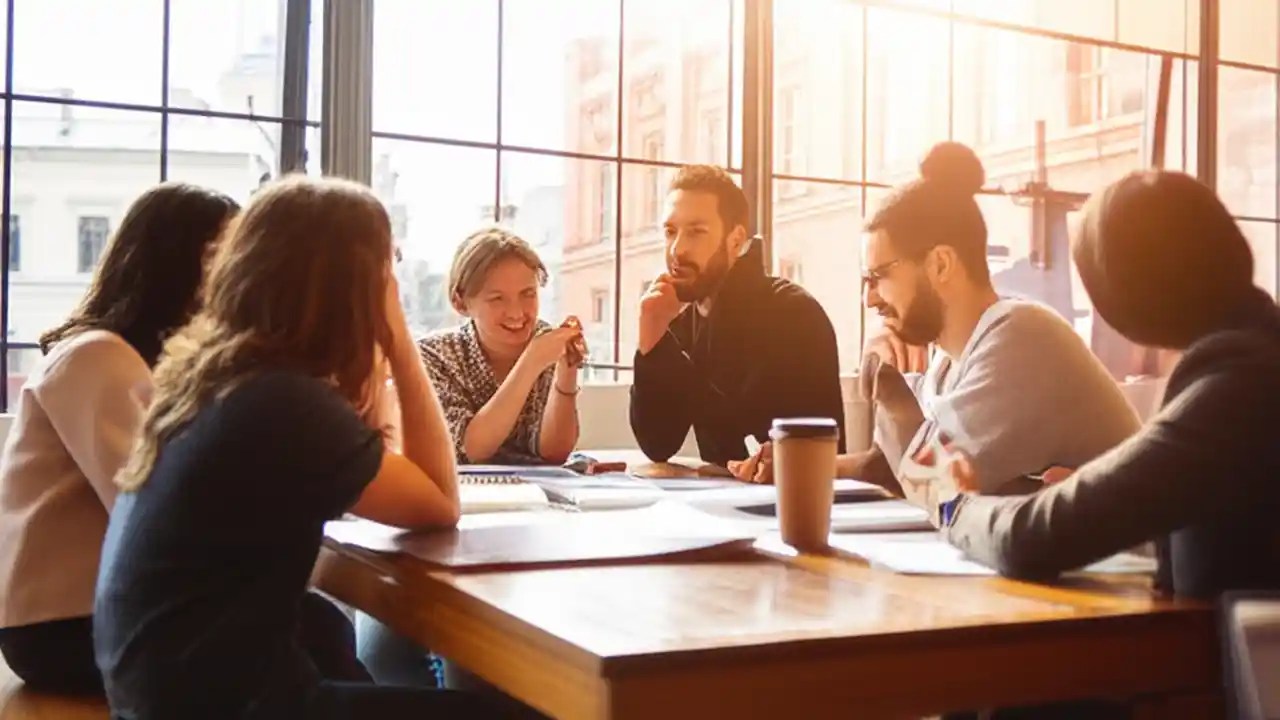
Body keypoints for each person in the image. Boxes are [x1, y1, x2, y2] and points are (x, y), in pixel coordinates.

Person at [93, 176, 499, 719]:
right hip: (225, 708)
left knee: (340, 644)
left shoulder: (220, 379)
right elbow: (437, 503)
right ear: (353, 283)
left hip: (158, 697)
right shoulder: (283, 401)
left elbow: (376, 448)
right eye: (387, 266)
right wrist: (398, 339)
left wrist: (371, 348)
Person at [926, 170, 1280, 600]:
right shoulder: (1256, 354)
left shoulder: (1237, 387)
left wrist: (954, 506)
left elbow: (1030, 539)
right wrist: (1095, 494)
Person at [731, 143, 1139, 492]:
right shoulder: (948, 364)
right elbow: (893, 468)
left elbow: (927, 480)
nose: (868, 298)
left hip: (1131, 579)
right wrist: (792, 467)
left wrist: (888, 382)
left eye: (878, 277)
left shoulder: (1021, 339)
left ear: (940, 264)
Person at [0, 183, 238, 694]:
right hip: (62, 626)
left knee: (307, 626)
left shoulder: (134, 362)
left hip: (92, 612)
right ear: (178, 261)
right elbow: (159, 516)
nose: (241, 275)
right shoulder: (98, 357)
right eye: (225, 255)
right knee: (303, 630)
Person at [630, 164, 845, 468]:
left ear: (735, 239)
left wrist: (668, 351)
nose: (677, 249)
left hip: (796, 506)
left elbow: (746, 436)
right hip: (724, 505)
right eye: (670, 232)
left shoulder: (793, 314)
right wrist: (650, 341)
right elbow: (658, 443)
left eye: (696, 232)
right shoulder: (678, 318)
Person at [419, 227, 585, 465]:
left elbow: (554, 453)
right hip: (461, 495)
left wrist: (566, 372)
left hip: (537, 494)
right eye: (497, 299)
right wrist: (530, 363)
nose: (517, 313)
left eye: (528, 294)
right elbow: (471, 450)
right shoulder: (433, 356)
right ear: (460, 302)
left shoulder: (547, 343)